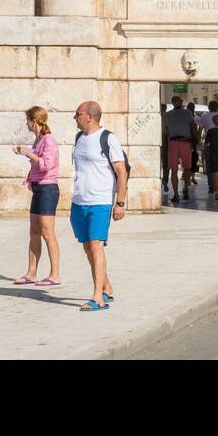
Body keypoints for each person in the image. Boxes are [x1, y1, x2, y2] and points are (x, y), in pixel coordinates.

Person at [70, 101, 127, 312]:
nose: (74, 118)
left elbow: (121, 172)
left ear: (89, 117)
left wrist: (119, 203)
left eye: (77, 114)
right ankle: (106, 287)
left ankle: (97, 298)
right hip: (79, 201)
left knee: (96, 245)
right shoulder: (79, 138)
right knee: (87, 247)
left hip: (101, 201)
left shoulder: (108, 139)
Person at [12, 105, 61, 287]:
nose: (26, 124)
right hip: (38, 188)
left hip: (48, 189)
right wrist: (26, 152)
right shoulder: (38, 140)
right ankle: (31, 272)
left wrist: (28, 154)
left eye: (27, 120)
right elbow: (36, 163)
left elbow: (46, 165)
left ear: (34, 121)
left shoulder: (49, 140)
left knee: (48, 232)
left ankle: (54, 274)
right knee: (34, 232)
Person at [163, 95, 198, 203]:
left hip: (173, 143)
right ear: (179, 102)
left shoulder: (167, 115)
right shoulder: (188, 113)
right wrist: (195, 141)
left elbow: (164, 131)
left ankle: (176, 195)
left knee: (174, 170)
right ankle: (185, 189)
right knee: (187, 168)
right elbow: (193, 127)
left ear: (173, 103)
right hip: (185, 142)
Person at [204, 112, 218, 202]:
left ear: (213, 122)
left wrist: (204, 153)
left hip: (213, 153)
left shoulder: (210, 131)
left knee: (214, 173)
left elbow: (206, 144)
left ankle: (216, 191)